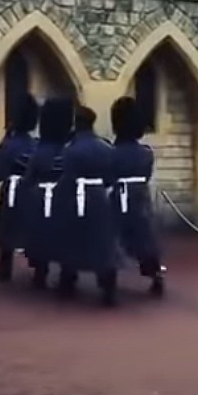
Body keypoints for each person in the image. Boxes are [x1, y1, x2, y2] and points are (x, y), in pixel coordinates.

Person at [55, 105, 118, 305]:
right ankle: (107, 285)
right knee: (102, 241)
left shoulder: (71, 149)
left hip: (77, 196)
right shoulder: (106, 147)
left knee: (72, 239)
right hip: (99, 196)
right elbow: (111, 177)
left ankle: (68, 282)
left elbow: (67, 177)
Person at [110, 96, 165, 297]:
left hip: (118, 196)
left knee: (113, 236)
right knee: (145, 238)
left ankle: (110, 277)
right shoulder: (145, 153)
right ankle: (156, 274)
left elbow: (109, 175)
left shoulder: (112, 152)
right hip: (140, 196)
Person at [22, 97, 74, 289]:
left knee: (40, 234)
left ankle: (40, 273)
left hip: (41, 197)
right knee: (66, 236)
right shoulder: (70, 149)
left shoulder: (39, 150)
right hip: (65, 196)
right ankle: (67, 276)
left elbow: (29, 178)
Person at [0, 94, 38, 282]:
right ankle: (39, 270)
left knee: (8, 231)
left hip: (13, 189)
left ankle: (4, 271)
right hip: (31, 188)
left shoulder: (10, 144)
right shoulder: (34, 143)